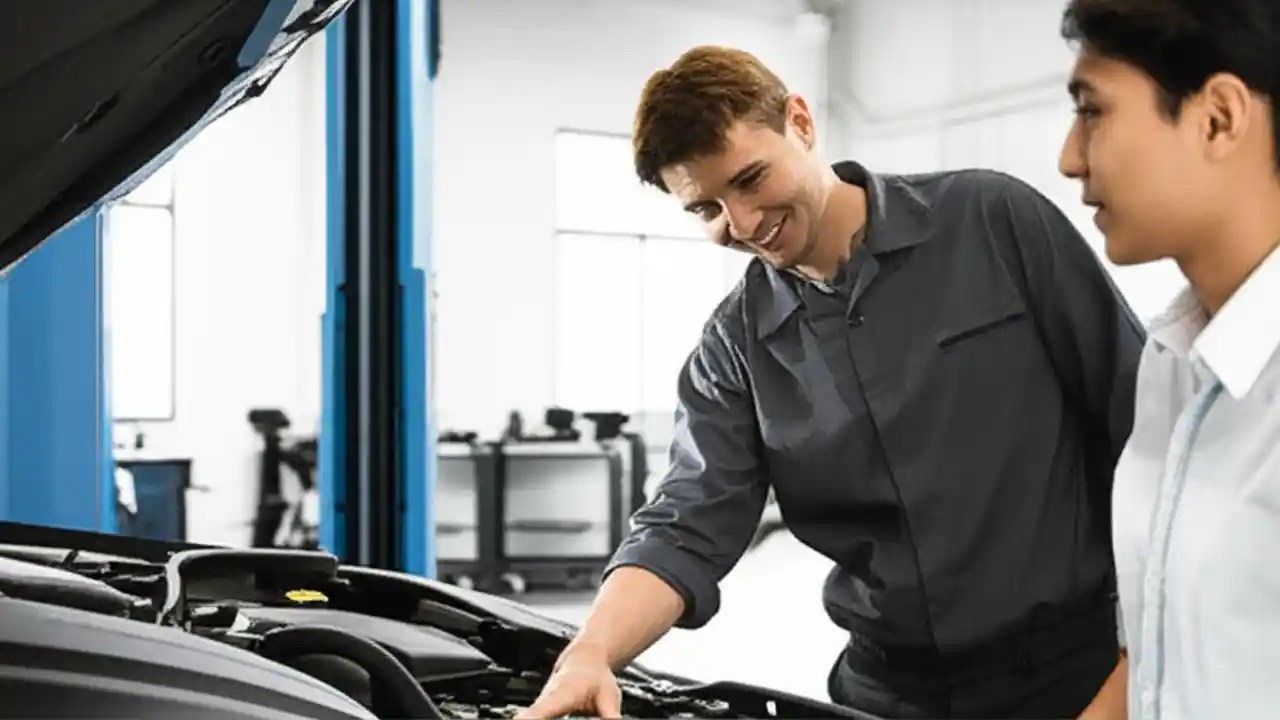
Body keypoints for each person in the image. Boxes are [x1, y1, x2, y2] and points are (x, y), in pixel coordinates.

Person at [519, 45, 1145, 720]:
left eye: (751, 178)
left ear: (801, 121)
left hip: (1071, 676)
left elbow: (1144, 425)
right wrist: (590, 652)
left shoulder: (992, 223)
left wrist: (1144, 657)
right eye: (706, 210)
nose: (745, 223)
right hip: (884, 694)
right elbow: (684, 524)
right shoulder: (734, 349)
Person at [1056, 1, 1280, 718]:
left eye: (1094, 111)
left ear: (1217, 117)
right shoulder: (1170, 361)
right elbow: (1158, 657)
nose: (1069, 157)